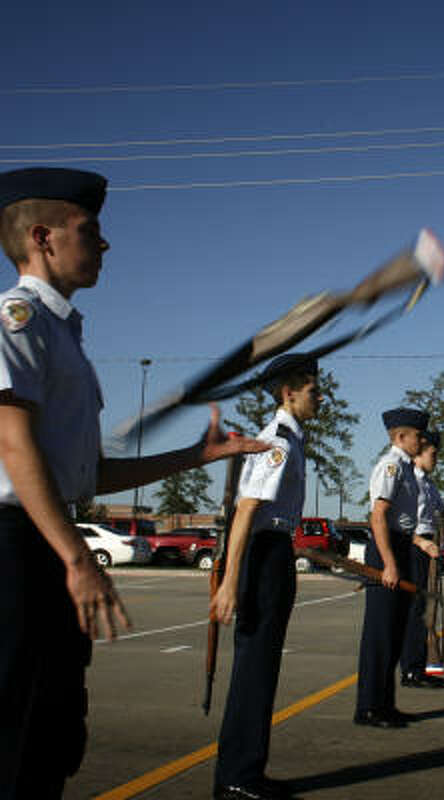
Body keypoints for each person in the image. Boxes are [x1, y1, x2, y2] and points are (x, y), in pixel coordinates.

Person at [0, 167, 266, 799]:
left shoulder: (65, 332)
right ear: (42, 237)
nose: (105, 244)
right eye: (89, 231)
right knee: (11, 727)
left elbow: (91, 474)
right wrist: (76, 556)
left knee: (55, 732)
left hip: (47, 534)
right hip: (15, 545)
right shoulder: (17, 319)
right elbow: (13, 445)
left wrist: (197, 456)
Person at [211, 352, 321, 800]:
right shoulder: (277, 440)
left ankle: (246, 769)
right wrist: (229, 582)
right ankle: (238, 776)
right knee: (255, 667)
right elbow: (246, 511)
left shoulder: (290, 438)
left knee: (262, 665)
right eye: (313, 390)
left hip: (275, 551)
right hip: (264, 555)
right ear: (288, 392)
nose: (320, 397)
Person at [355, 407, 428, 727]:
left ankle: (385, 704)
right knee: (381, 633)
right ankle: (369, 707)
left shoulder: (407, 468)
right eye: (417, 435)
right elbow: (378, 515)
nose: (421, 440)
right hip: (388, 550)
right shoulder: (391, 465)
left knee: (396, 631)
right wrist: (388, 563)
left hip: (401, 546)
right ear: (400, 437)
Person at [400, 429, 444, 686]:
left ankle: (421, 666)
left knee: (426, 611)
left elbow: (437, 506)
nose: (436, 458)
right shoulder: (409, 478)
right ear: (420, 452)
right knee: (415, 610)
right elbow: (399, 522)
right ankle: (411, 670)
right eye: (433, 453)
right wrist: (421, 542)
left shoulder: (427, 481)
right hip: (415, 547)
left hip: (428, 549)